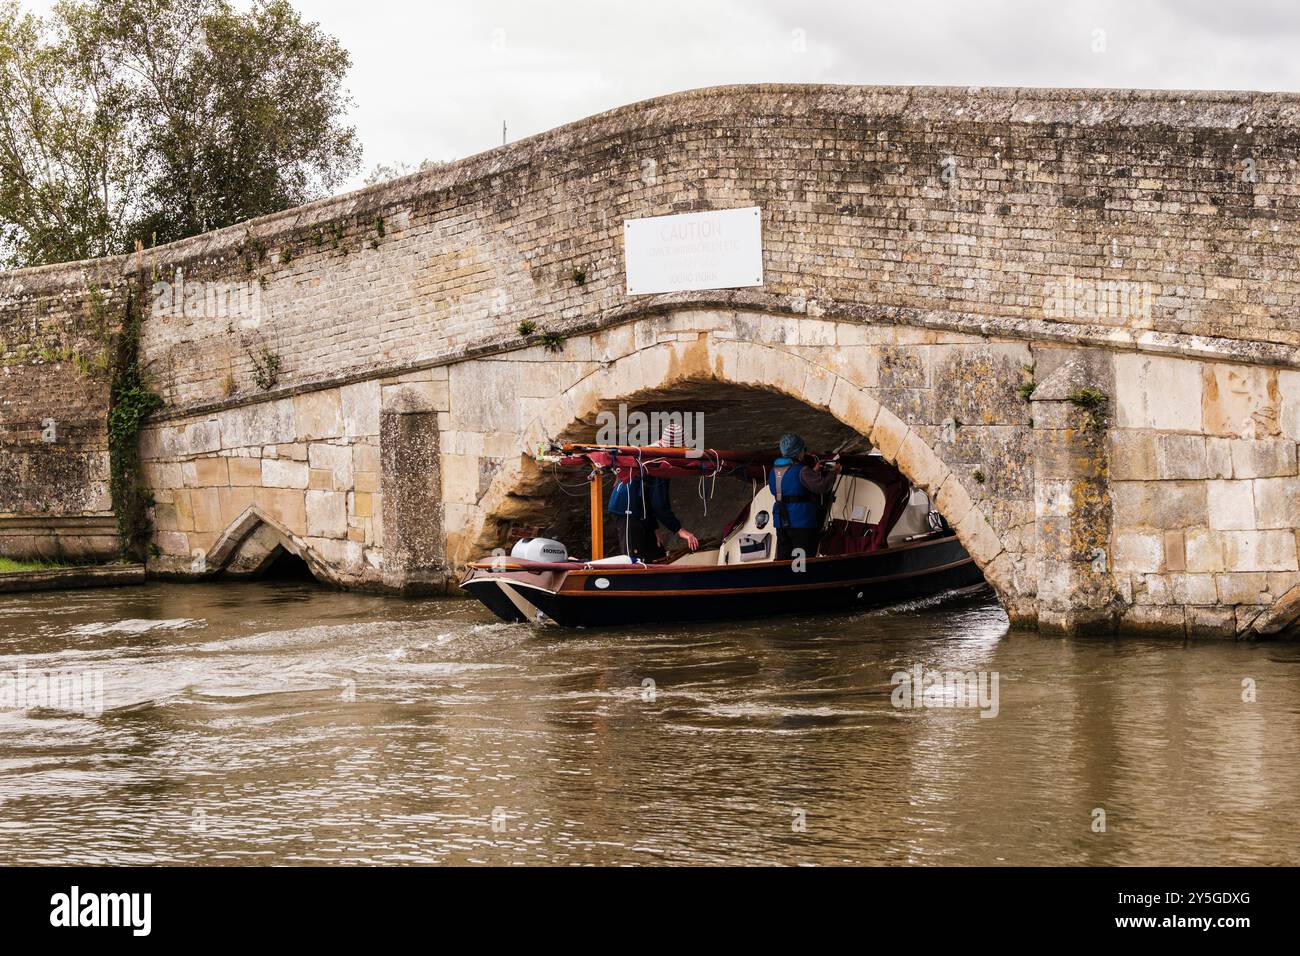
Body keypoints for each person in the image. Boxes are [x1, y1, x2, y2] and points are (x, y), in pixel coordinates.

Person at [607, 423, 700, 561]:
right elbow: (659, 504)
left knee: (658, 553)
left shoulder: (658, 453)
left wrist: (654, 527)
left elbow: (649, 497)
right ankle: (635, 580)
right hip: (627, 510)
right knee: (634, 559)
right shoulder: (659, 461)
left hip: (643, 512)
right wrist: (680, 531)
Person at [768, 432, 838, 561]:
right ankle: (799, 577)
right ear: (798, 452)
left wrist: (814, 472)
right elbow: (821, 487)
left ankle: (783, 578)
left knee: (784, 555)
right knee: (800, 557)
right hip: (800, 520)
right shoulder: (803, 471)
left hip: (781, 520)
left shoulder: (774, 470)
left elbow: (790, 483)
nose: (804, 453)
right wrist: (833, 473)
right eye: (803, 450)